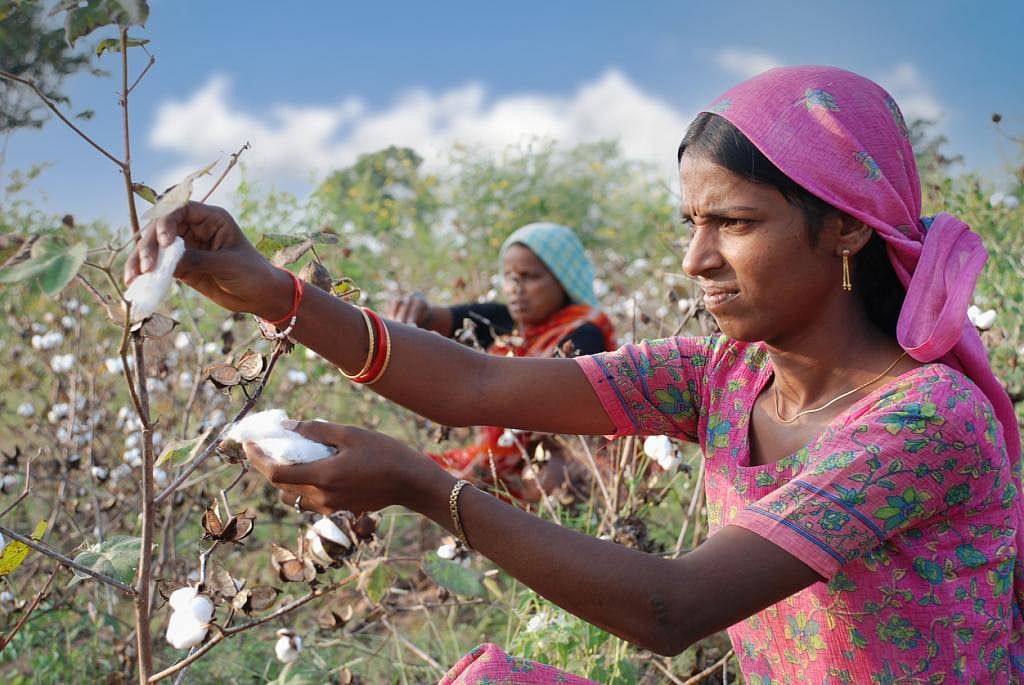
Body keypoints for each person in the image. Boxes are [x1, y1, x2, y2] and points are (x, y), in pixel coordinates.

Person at [126, 66, 1023, 683]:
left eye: (736, 223)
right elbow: (475, 387)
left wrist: (422, 485)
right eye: (690, 222)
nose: (696, 259)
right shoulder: (728, 374)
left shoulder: (924, 418)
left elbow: (674, 609)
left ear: (849, 228)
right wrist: (274, 292)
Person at [388, 222, 615, 500]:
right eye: (509, 276)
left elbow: (559, 420)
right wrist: (414, 310)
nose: (515, 288)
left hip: (565, 458)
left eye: (530, 276)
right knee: (415, 473)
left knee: (554, 477)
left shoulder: (585, 333)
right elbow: (436, 320)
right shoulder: (501, 320)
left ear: (563, 278)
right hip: (503, 458)